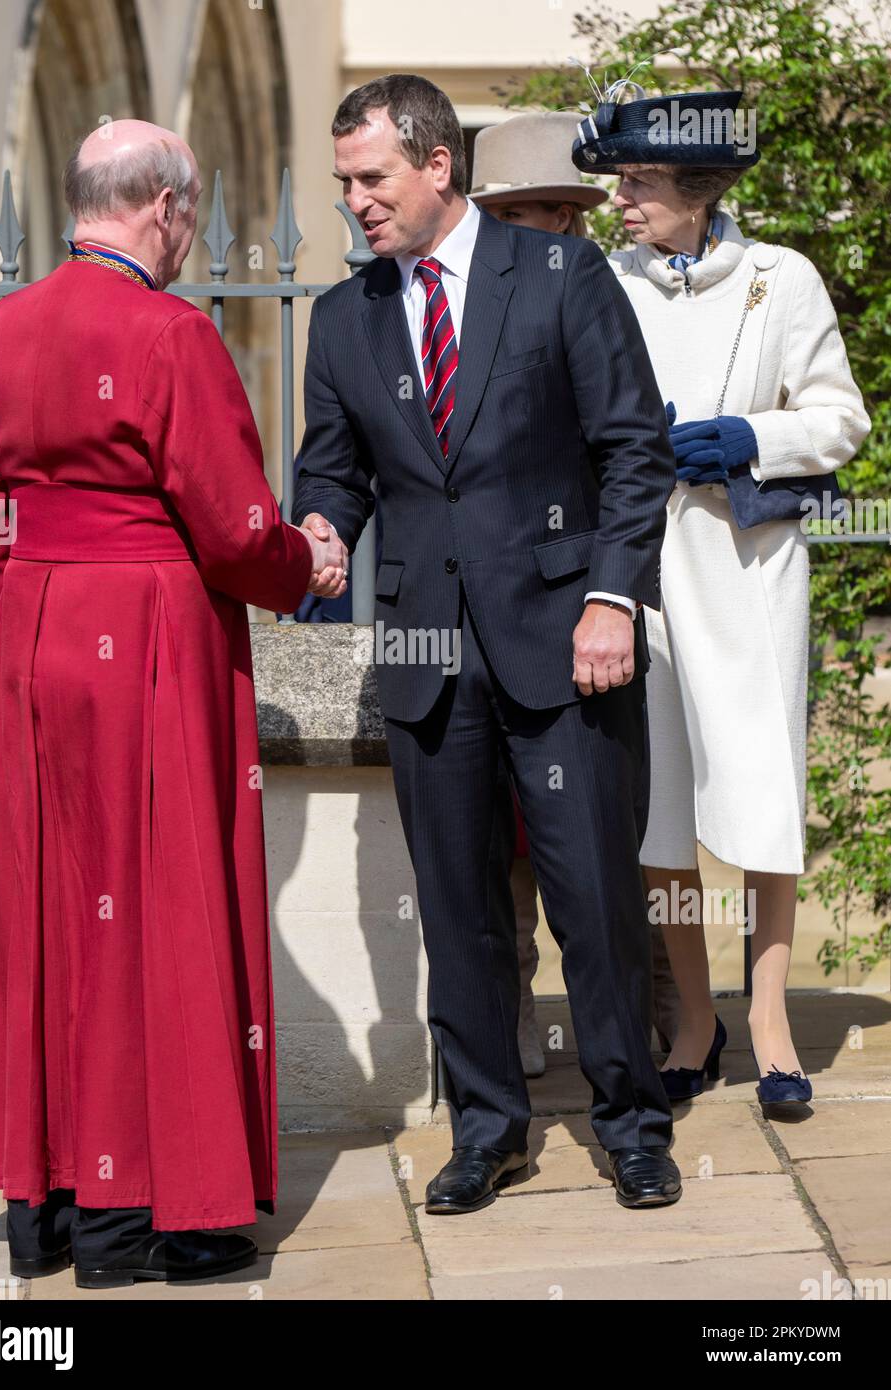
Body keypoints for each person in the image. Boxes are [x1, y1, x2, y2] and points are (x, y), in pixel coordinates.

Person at [0, 118, 346, 1290]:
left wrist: (25, 621)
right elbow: (230, 527)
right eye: (186, 219)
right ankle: (162, 1213)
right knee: (165, 902)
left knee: (52, 915)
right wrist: (304, 567)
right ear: (168, 208)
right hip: (155, 642)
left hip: (33, 643)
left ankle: (54, 1205)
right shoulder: (173, 334)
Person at [295, 73, 682, 1214]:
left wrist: (613, 599)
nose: (356, 202)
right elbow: (334, 469)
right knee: (455, 900)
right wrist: (322, 526)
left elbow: (634, 452)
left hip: (567, 643)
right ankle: (487, 1130)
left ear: (435, 167)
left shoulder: (563, 275)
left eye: (371, 179)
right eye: (343, 185)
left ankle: (631, 1120)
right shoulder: (343, 315)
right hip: (424, 653)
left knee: (595, 895)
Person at [572, 88, 870, 1106]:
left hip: (749, 566)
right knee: (663, 807)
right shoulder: (601, 282)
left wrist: (752, 436)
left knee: (761, 784)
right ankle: (694, 1017)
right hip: (643, 567)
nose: (621, 201)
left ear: (699, 191)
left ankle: (774, 1019)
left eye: (641, 183)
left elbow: (841, 420)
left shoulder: (782, 280)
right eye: (621, 182)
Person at [469, 109, 681, 1076]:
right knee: (501, 863)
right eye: (526, 209)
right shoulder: (443, 307)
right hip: (482, 630)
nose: (549, 226)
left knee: (607, 855)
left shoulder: (601, 295)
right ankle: (508, 1044)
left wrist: (611, 597)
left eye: (563, 209)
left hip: (592, 616)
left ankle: (649, 1037)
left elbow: (632, 458)